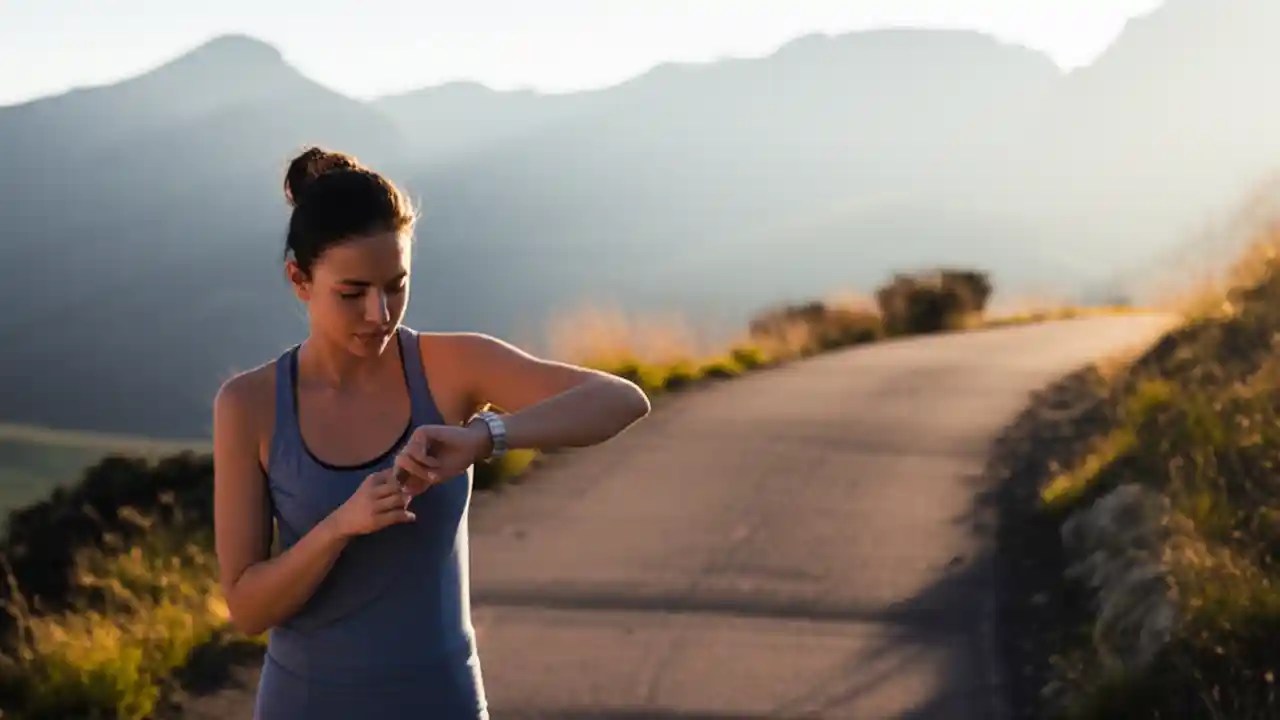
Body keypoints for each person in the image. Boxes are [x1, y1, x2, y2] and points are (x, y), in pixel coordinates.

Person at [211, 146, 652, 719]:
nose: (380, 313)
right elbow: (247, 609)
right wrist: (340, 527)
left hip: (442, 701)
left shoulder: (450, 366)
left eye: (396, 285)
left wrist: (485, 437)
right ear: (299, 279)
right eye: (353, 293)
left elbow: (621, 400)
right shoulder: (250, 405)